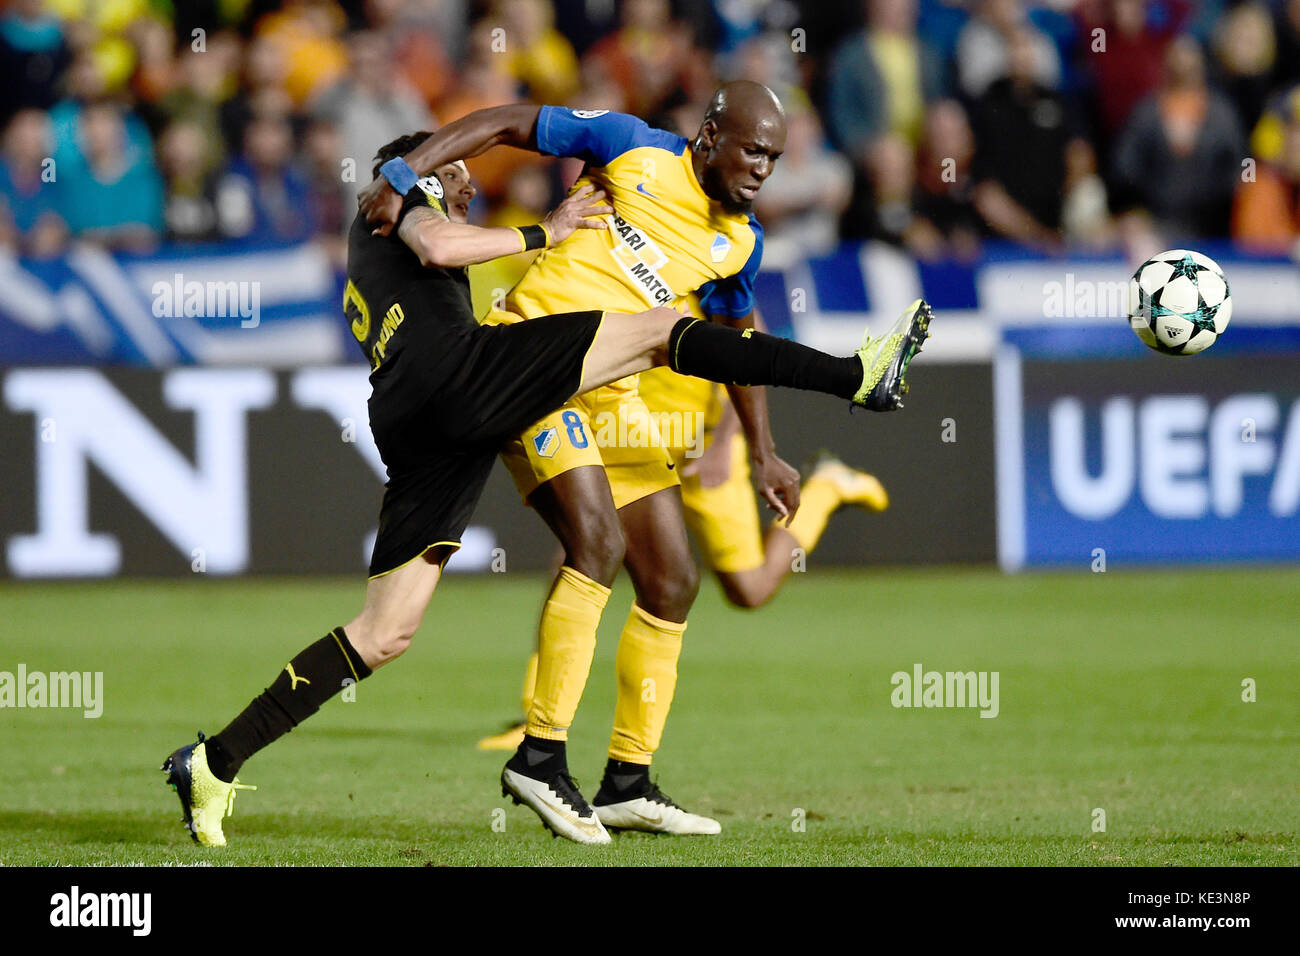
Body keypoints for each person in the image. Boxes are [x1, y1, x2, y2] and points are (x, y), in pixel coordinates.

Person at [162, 137, 932, 848]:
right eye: (456, 175)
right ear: (419, 173)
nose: (468, 186)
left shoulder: (370, 247)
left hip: (421, 421)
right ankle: (854, 375)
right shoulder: (401, 199)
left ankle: (214, 760)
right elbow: (438, 242)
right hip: (462, 375)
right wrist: (546, 230)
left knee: (384, 632)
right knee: (659, 329)